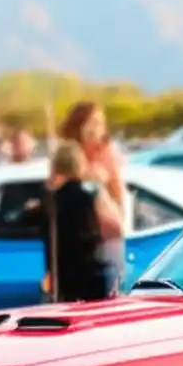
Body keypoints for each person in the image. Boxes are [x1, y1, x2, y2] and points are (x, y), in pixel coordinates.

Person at [58, 101, 129, 294]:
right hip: (83, 248)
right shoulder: (71, 161)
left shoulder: (106, 157)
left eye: (100, 123)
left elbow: (118, 199)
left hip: (108, 242)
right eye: (92, 124)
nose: (97, 130)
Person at [43, 142, 118, 302]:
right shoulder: (89, 194)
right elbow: (113, 227)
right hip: (88, 271)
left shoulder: (52, 200)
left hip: (62, 276)